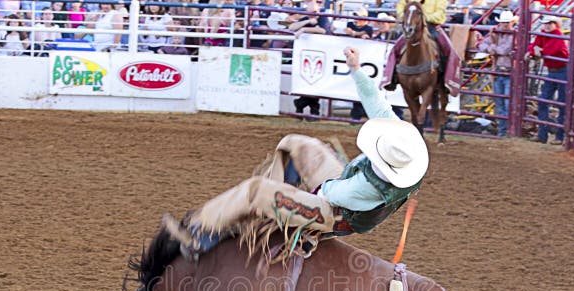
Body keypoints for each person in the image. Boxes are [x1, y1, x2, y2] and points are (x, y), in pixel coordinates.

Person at [164, 46, 429, 259]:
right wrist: (356, 69)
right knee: (296, 142)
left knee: (256, 190)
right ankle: (269, 209)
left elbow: (331, 193)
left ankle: (202, 236)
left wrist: (298, 198)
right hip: (345, 185)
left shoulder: (369, 186)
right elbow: (377, 104)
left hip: (335, 212)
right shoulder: (403, 154)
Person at [380, 0, 462, 96]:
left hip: (432, 27)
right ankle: (391, 79)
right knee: (395, 50)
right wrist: (409, 17)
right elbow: (400, 8)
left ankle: (447, 81)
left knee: (450, 52)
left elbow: (440, 15)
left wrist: (422, 18)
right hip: (412, 26)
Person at [525, 15, 569, 145]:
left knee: (561, 104)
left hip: (562, 71)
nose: (547, 26)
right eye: (545, 23)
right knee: (544, 101)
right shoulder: (544, 34)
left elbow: (550, 50)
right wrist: (534, 50)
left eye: (550, 23)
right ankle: (543, 135)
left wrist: (537, 50)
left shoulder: (558, 35)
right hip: (554, 71)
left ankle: (558, 137)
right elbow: (534, 46)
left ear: (555, 24)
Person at [477, 9, 517, 137]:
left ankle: (507, 130)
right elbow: (481, 45)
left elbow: (505, 50)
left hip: (508, 71)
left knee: (506, 102)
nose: (505, 25)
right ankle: (503, 131)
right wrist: (492, 48)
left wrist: (492, 48)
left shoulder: (513, 35)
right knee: (500, 102)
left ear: (511, 22)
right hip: (499, 70)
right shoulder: (497, 33)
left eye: (507, 22)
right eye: (503, 22)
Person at [290, 0, 330, 117]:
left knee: (316, 82)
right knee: (309, 81)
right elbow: (292, 27)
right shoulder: (307, 19)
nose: (314, 13)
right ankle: (313, 110)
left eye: (315, 11)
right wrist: (307, 22)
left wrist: (303, 30)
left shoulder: (323, 18)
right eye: (311, 12)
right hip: (308, 56)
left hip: (321, 55)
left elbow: (323, 30)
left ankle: (301, 104)